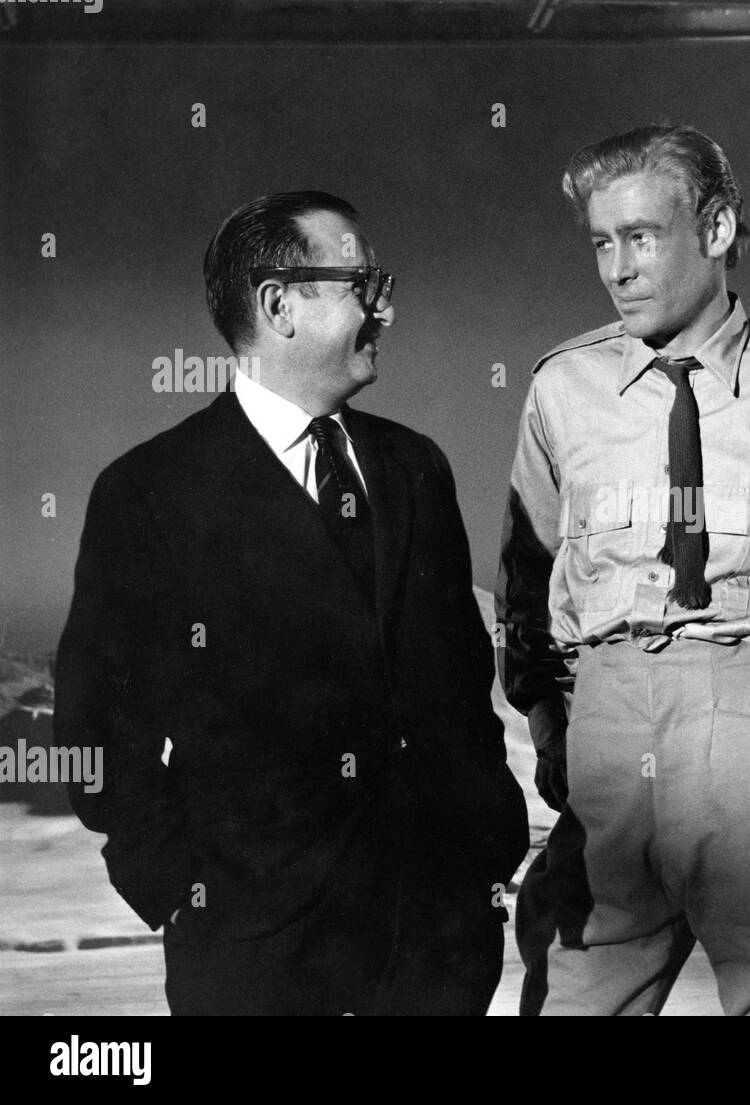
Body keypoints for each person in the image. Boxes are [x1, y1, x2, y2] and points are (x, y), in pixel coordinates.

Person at [56, 190, 527, 1015]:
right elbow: (98, 733)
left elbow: (457, 689)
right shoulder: (149, 492)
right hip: (250, 951)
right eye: (364, 284)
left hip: (436, 935)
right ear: (278, 304)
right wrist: (174, 888)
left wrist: (488, 843)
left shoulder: (417, 466)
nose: (386, 308)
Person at [497, 124, 750, 1016]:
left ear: (719, 228)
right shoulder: (562, 388)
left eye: (642, 237)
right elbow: (527, 578)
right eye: (601, 243)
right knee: (575, 990)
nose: (617, 268)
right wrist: (550, 720)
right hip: (610, 736)